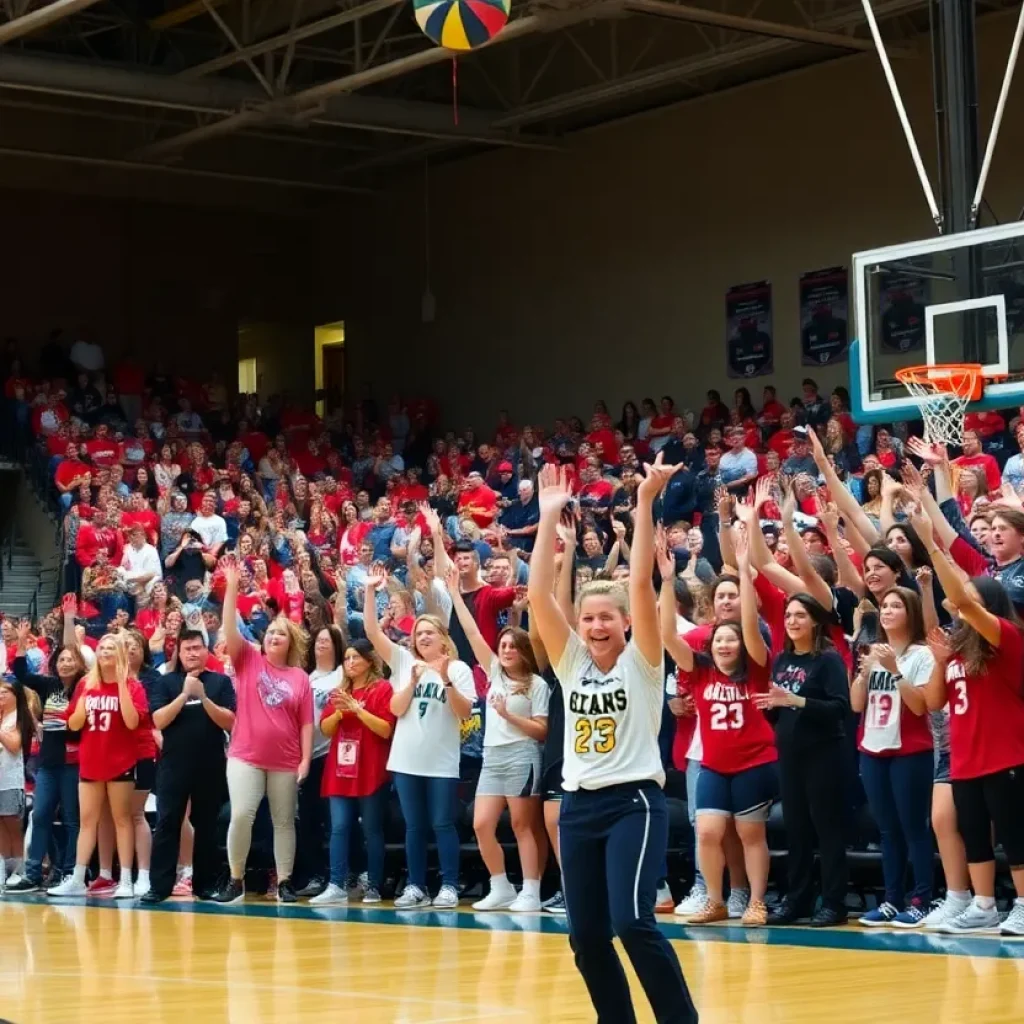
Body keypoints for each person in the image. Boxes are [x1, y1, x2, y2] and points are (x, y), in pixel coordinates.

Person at [528, 455, 698, 1024]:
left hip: (633, 803)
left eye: (607, 617)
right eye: (588, 618)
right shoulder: (571, 662)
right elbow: (538, 597)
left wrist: (645, 502)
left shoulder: (643, 662)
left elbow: (642, 583)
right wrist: (547, 517)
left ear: (625, 622)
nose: (597, 625)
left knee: (631, 922)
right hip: (578, 807)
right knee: (586, 935)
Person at [659, 525, 777, 927]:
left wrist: (743, 570)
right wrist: (667, 581)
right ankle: (715, 899)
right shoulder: (702, 670)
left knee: (750, 834)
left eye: (732, 640)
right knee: (707, 832)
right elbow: (667, 634)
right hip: (713, 764)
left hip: (753, 762)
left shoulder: (757, 667)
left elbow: (750, 626)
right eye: (719, 640)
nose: (725, 644)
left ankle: (756, 901)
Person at [916, 509, 1024, 936]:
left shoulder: (1007, 637)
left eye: (973, 602)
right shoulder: (958, 650)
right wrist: (941, 662)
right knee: (974, 834)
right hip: (965, 759)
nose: (963, 609)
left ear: (989, 605)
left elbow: (959, 601)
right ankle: (983, 906)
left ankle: (1023, 905)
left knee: (1015, 835)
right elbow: (933, 702)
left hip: (1005, 754)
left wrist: (933, 544)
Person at [363, 572, 474, 909]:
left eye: (430, 632)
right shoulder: (404, 663)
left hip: (441, 762)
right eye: (419, 633)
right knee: (414, 826)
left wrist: (445, 679)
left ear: (443, 639)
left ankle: (450, 885)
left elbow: (464, 713)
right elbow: (372, 632)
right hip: (406, 760)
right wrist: (370, 591)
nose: (423, 636)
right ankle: (416, 886)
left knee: (442, 823)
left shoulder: (458, 669)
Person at [444, 565, 549, 913]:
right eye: (502, 645)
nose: (505, 650)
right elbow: (472, 631)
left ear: (523, 650)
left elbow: (542, 730)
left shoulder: (537, 684)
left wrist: (509, 716)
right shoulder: (492, 671)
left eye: (512, 646)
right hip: (492, 757)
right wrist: (455, 594)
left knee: (522, 825)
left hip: (523, 755)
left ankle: (531, 890)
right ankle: (500, 886)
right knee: (481, 823)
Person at [213, 556, 313, 905]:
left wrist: (305, 760)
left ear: (291, 641)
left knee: (284, 822)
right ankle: (235, 878)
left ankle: (284, 882)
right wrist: (231, 587)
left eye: (280, 633)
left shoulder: (299, 677)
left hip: (285, 760)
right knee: (242, 814)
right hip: (245, 755)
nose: (273, 636)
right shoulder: (248, 660)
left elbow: (306, 722)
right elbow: (229, 628)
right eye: (270, 632)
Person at [755, 594, 850, 926]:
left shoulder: (828, 660)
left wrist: (796, 700)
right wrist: (771, 707)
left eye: (800, 615)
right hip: (790, 756)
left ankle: (834, 903)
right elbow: (782, 712)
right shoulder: (782, 659)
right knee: (796, 830)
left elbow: (840, 708)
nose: (792, 621)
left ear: (815, 621)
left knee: (827, 830)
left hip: (824, 754)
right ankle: (798, 899)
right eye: (788, 615)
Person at [850, 587, 935, 927]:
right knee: (887, 830)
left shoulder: (922, 654)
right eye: (884, 606)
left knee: (914, 827)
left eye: (895, 606)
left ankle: (922, 899)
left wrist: (894, 669)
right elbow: (856, 704)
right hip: (872, 749)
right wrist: (863, 673)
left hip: (910, 751)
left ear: (910, 613)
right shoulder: (873, 652)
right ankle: (891, 899)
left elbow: (920, 705)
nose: (886, 611)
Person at [48, 634, 148, 899]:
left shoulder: (133, 685)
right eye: (101, 647)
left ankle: (125, 879)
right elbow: (73, 724)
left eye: (111, 647)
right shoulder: (85, 684)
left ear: (120, 653)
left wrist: (122, 684)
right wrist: (83, 700)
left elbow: (132, 722)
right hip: (91, 760)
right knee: (87, 821)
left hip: (120, 761)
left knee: (122, 820)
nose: (104, 651)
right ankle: (77, 879)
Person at [141, 630, 235, 904]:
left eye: (197, 647)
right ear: (179, 653)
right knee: (167, 822)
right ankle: (159, 886)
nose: (193, 653)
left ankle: (205, 885)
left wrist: (203, 697)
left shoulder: (220, 682)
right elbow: (158, 720)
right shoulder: (166, 682)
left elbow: (230, 721)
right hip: (173, 764)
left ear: (206, 651)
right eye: (187, 649)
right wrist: (185, 694)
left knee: (207, 825)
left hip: (210, 763)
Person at [7, 600, 86, 893]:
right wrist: (20, 642)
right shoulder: (49, 685)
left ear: (79, 664)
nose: (65, 663)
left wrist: (69, 619)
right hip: (49, 764)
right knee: (40, 816)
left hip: (74, 764)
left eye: (70, 660)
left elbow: (72, 647)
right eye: (61, 659)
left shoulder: (84, 686)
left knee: (71, 820)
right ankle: (33, 873)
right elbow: (21, 674)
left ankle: (70, 873)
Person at [313, 639, 395, 906]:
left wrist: (357, 709)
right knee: (338, 827)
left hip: (371, 768)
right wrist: (339, 713)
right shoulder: (339, 692)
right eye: (346, 658)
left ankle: (374, 885)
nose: (350, 663)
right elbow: (326, 729)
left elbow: (385, 729)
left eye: (355, 657)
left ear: (369, 661)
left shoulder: (382, 689)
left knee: (372, 828)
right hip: (341, 768)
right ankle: (336, 884)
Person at [295, 625, 346, 897]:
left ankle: (346, 875)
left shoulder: (342, 675)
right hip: (308, 756)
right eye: (318, 640)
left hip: (334, 755)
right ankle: (315, 875)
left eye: (327, 640)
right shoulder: (305, 678)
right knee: (309, 819)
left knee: (336, 819)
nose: (321, 644)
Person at [0, 677, 33, 888]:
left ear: (16, 695)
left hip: (11, 780)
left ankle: (20, 867)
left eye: (5, 692)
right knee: (1, 824)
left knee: (12, 823)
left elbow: (14, 745)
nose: (1, 696)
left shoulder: (19, 717)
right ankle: (4, 865)